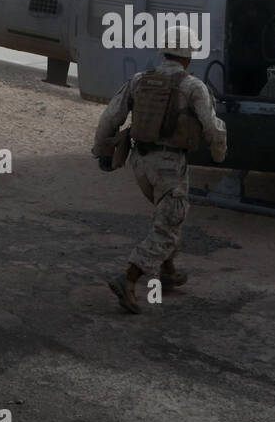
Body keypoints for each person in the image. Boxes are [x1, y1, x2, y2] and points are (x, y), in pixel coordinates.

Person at [92, 26, 228, 314]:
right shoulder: (193, 87)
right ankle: (128, 279)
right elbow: (213, 127)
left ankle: (168, 270)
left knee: (168, 216)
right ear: (188, 58)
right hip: (169, 166)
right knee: (168, 223)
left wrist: (102, 152)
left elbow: (109, 118)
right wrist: (219, 154)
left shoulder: (140, 80)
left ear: (163, 51)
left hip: (140, 164)